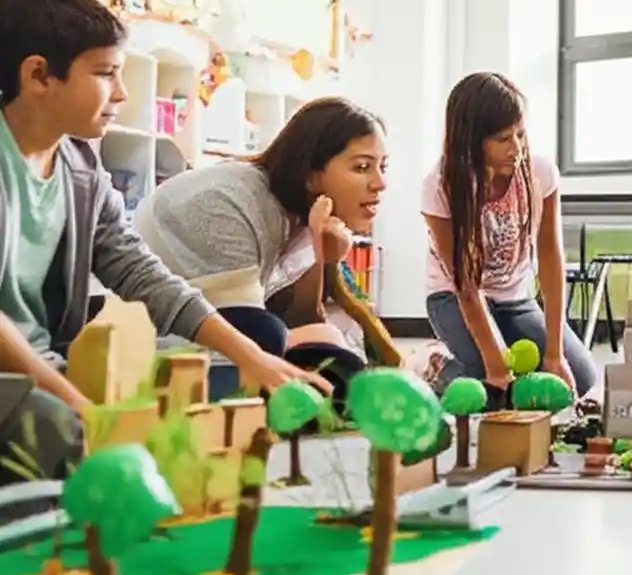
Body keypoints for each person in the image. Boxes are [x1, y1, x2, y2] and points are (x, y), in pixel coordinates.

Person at [0, 0, 326, 503]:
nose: (123, 93)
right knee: (70, 438)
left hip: (42, 367)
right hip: (18, 377)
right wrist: (77, 406)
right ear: (38, 74)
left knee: (166, 430)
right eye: (106, 74)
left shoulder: (80, 169)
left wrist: (250, 356)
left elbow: (140, 272)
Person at [134, 96, 393, 395]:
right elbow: (253, 335)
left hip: (219, 340)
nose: (380, 183)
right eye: (362, 167)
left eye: (383, 167)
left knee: (334, 347)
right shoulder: (225, 201)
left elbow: (301, 317)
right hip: (156, 356)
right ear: (311, 176)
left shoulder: (299, 214)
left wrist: (322, 255)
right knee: (329, 354)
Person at [421, 71, 595, 402]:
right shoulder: (440, 186)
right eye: (502, 139)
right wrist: (494, 363)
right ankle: (435, 364)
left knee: (578, 379)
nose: (515, 147)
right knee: (492, 390)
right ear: (471, 140)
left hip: (513, 297)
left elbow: (550, 258)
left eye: (520, 134)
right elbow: (466, 286)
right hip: (452, 297)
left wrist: (555, 354)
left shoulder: (540, 173)